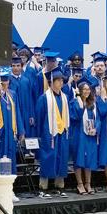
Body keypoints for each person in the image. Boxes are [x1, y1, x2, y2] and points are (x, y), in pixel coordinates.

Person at [35, 70, 70, 198]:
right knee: (47, 158)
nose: (62, 82)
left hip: (62, 133)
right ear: (51, 82)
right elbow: (39, 117)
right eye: (59, 80)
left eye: (62, 80)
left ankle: (59, 186)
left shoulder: (65, 97)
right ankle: (43, 187)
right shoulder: (44, 98)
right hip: (48, 133)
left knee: (62, 158)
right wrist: (42, 134)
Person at [0, 68, 23, 174]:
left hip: (10, 133)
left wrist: (21, 130)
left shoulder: (12, 94)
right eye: (3, 81)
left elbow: (17, 112)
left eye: (7, 80)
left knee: (10, 154)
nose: (5, 83)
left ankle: (8, 185)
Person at [70, 79, 101, 194]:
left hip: (90, 135)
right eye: (84, 89)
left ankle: (88, 183)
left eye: (88, 89)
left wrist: (96, 128)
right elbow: (75, 117)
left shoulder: (92, 104)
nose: (87, 91)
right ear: (80, 91)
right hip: (79, 134)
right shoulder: (74, 102)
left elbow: (98, 119)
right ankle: (80, 184)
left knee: (89, 159)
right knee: (79, 159)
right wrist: (79, 100)